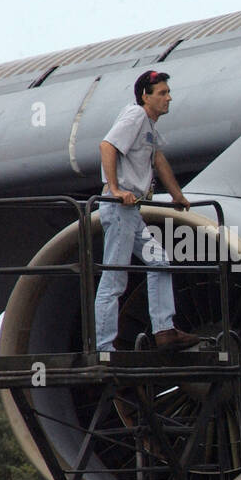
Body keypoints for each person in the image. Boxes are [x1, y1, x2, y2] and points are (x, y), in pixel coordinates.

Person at [95, 69, 199, 352]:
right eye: (162, 93)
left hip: (132, 211)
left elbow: (158, 158)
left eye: (168, 92)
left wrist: (178, 196)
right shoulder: (136, 116)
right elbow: (107, 145)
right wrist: (115, 189)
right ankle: (104, 348)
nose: (169, 98)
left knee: (159, 261)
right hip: (120, 208)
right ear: (145, 96)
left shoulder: (149, 125)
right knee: (114, 278)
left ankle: (164, 330)